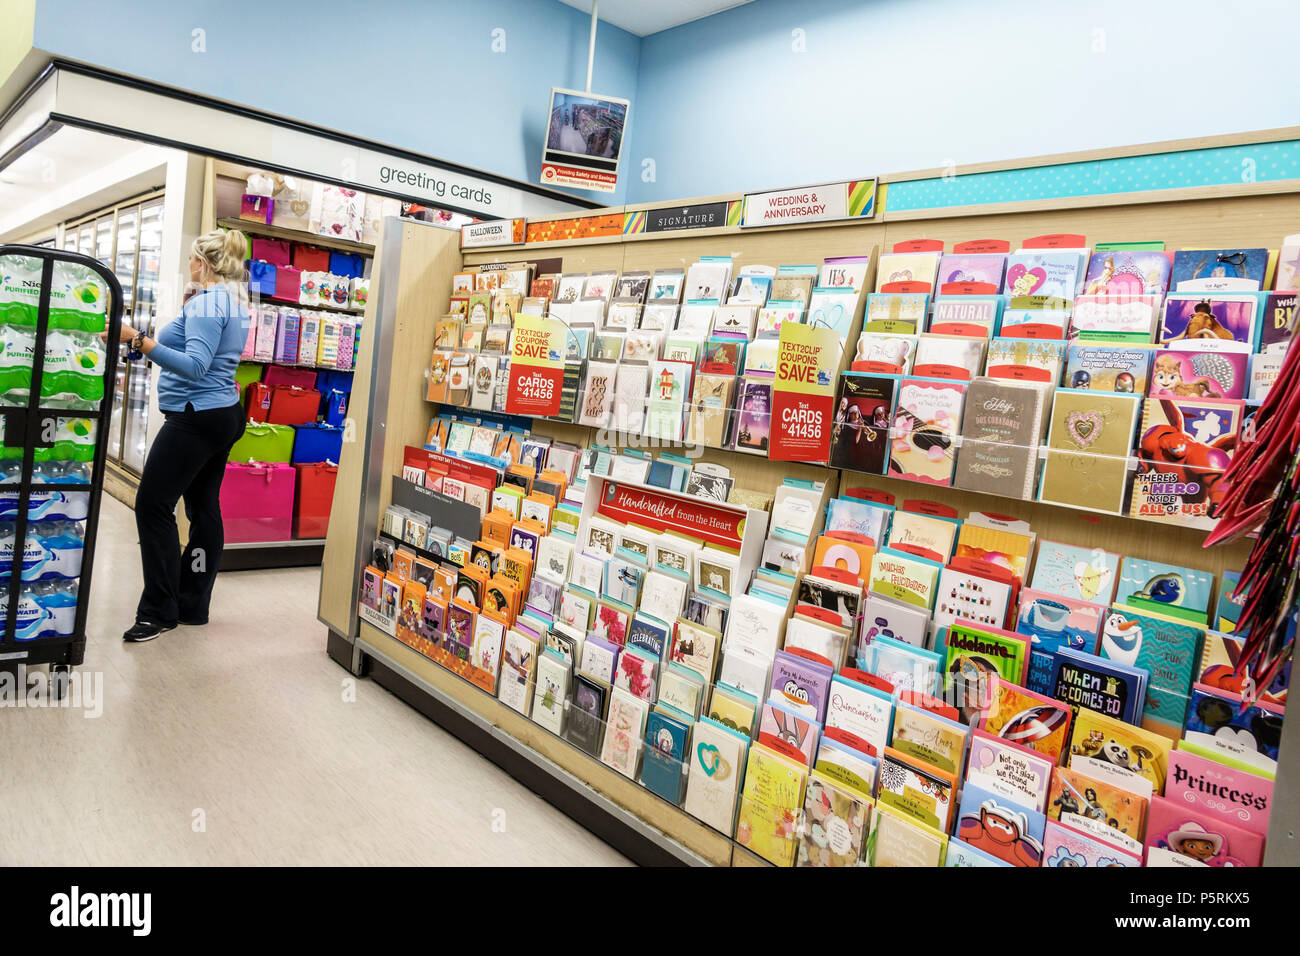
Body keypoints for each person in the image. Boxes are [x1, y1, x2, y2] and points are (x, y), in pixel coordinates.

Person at [107, 229, 251, 642]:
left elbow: (195, 367)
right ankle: (191, 604)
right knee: (204, 508)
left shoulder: (208, 304)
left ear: (202, 263)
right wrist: (141, 343)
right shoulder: (233, 301)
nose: (188, 265)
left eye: (191, 259)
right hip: (219, 414)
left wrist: (137, 338)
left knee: (152, 505)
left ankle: (158, 612)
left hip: (195, 418)